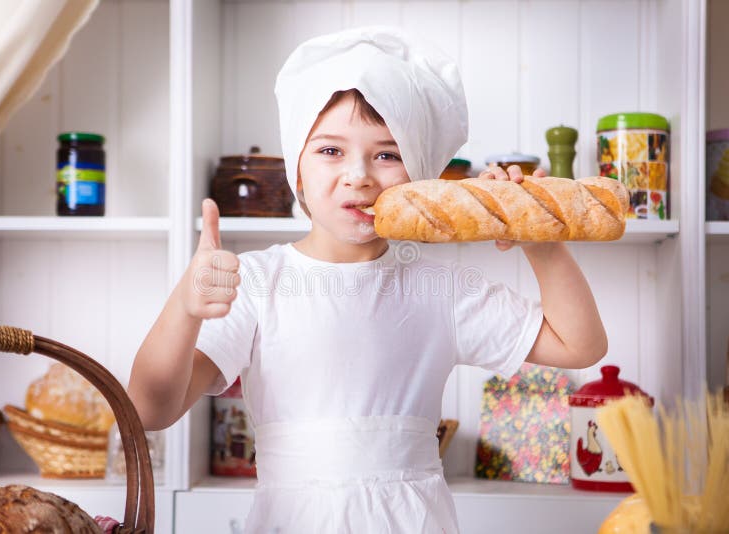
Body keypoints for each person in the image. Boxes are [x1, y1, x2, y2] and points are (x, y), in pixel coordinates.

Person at [128, 26, 608, 533]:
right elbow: (149, 409)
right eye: (330, 151)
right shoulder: (256, 282)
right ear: (297, 172)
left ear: (418, 180)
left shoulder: (440, 289)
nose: (359, 175)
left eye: (387, 154)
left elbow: (580, 347)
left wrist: (541, 244)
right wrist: (184, 308)